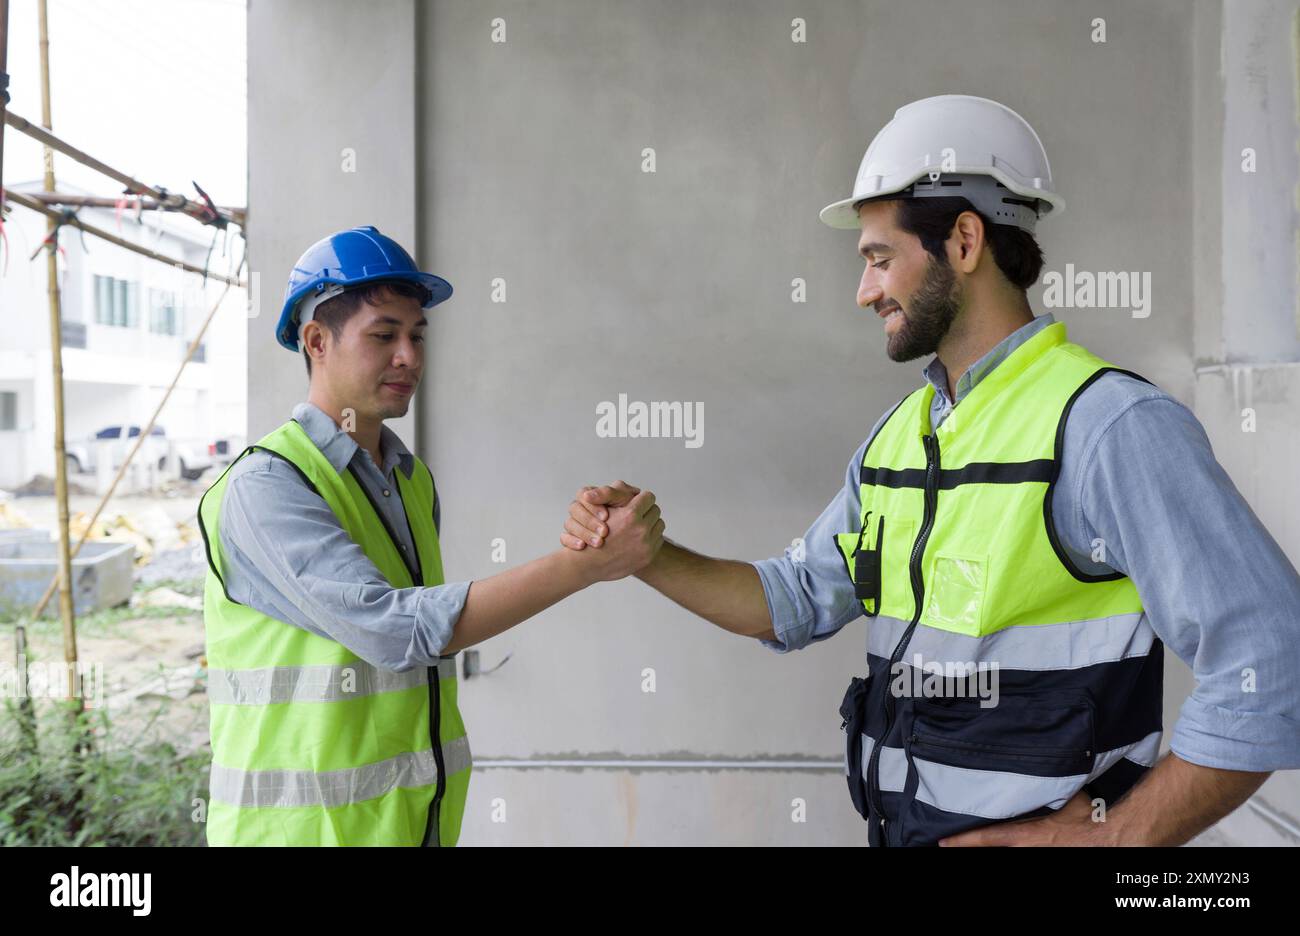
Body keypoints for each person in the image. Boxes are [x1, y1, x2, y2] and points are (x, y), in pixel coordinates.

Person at [563, 95, 1300, 847]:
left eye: (880, 259)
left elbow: (1274, 658)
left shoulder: (1106, 428)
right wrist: (649, 557)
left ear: (965, 241)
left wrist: (1116, 838)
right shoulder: (900, 440)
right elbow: (791, 598)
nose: (865, 291)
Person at [197, 226, 663, 846]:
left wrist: (589, 543)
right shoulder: (266, 486)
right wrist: (583, 566)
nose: (410, 357)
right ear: (316, 341)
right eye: (383, 335)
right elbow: (398, 629)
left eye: (417, 336)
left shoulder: (409, 480)